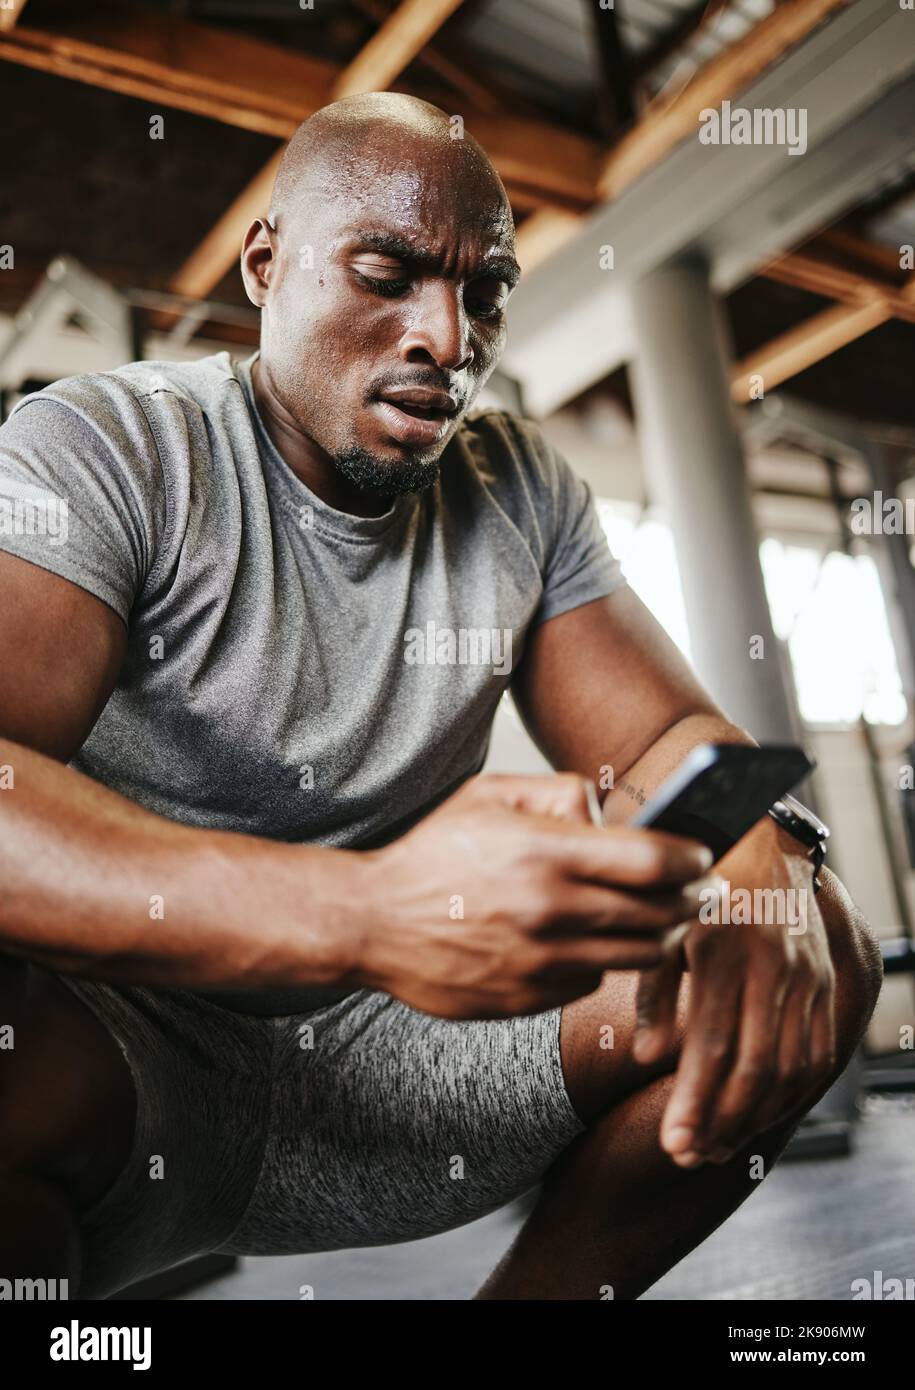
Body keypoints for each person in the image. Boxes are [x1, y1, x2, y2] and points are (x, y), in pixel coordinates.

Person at [0, 93, 881, 1301]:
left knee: (808, 936)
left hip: (407, 1054)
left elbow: (672, 736)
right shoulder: (111, 448)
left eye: (487, 292)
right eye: (390, 272)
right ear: (268, 265)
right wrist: (363, 909)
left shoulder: (517, 484)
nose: (447, 336)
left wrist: (764, 854)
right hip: (119, 1061)